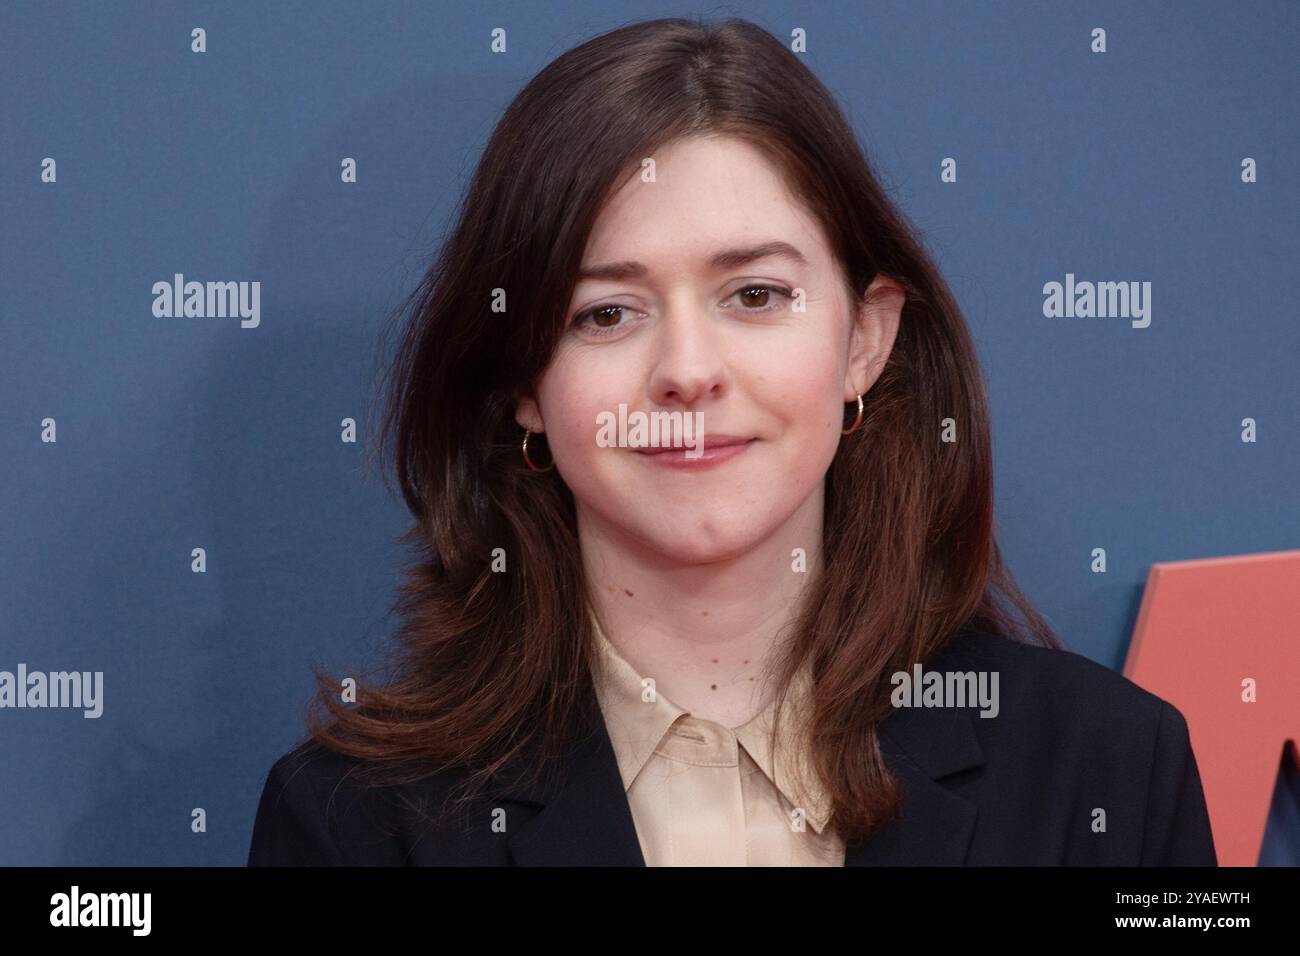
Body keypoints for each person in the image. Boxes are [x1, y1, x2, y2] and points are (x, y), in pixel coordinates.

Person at [248, 16, 1216, 866]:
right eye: (607, 312)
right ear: (521, 385)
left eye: (755, 294)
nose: (687, 369)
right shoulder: (356, 821)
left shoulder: (1108, 769)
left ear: (864, 341)